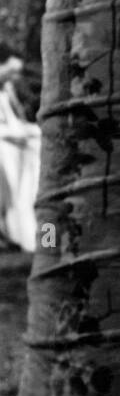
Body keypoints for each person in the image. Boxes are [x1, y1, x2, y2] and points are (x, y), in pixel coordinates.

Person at [0, 43, 39, 252]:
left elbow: (14, 123)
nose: (14, 77)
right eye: (10, 71)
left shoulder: (7, 91)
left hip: (17, 147)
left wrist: (29, 132)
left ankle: (31, 238)